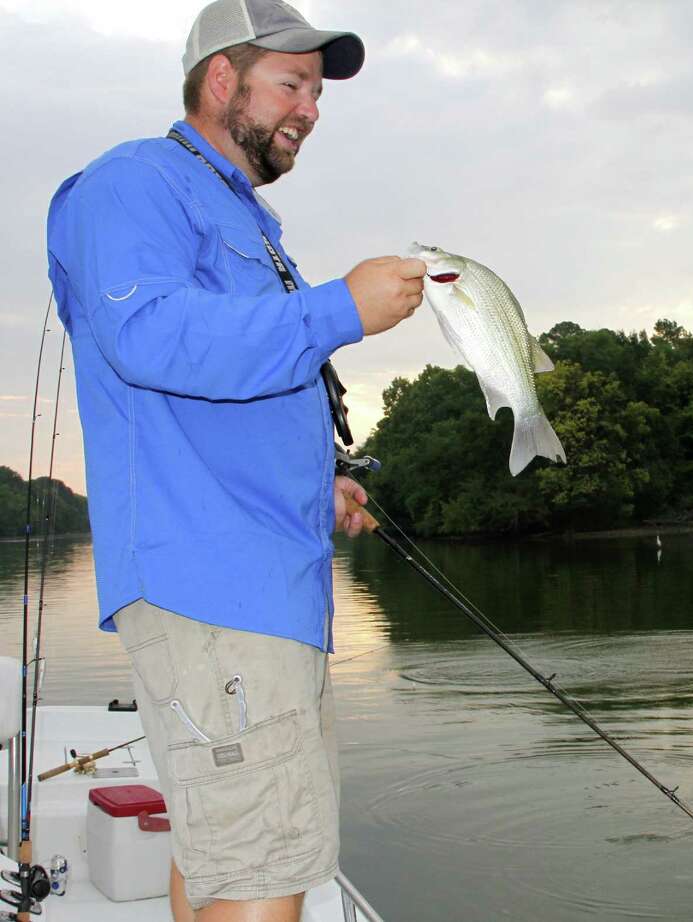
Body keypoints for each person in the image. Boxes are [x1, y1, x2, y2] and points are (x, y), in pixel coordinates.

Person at [45, 2, 424, 919]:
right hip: (215, 589)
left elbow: (229, 384)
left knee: (229, 857)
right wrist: (340, 307)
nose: (312, 108)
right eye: (292, 83)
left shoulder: (246, 218)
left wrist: (316, 484)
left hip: (259, 586)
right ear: (223, 80)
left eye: (318, 92)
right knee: (261, 874)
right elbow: (150, 334)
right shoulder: (133, 182)